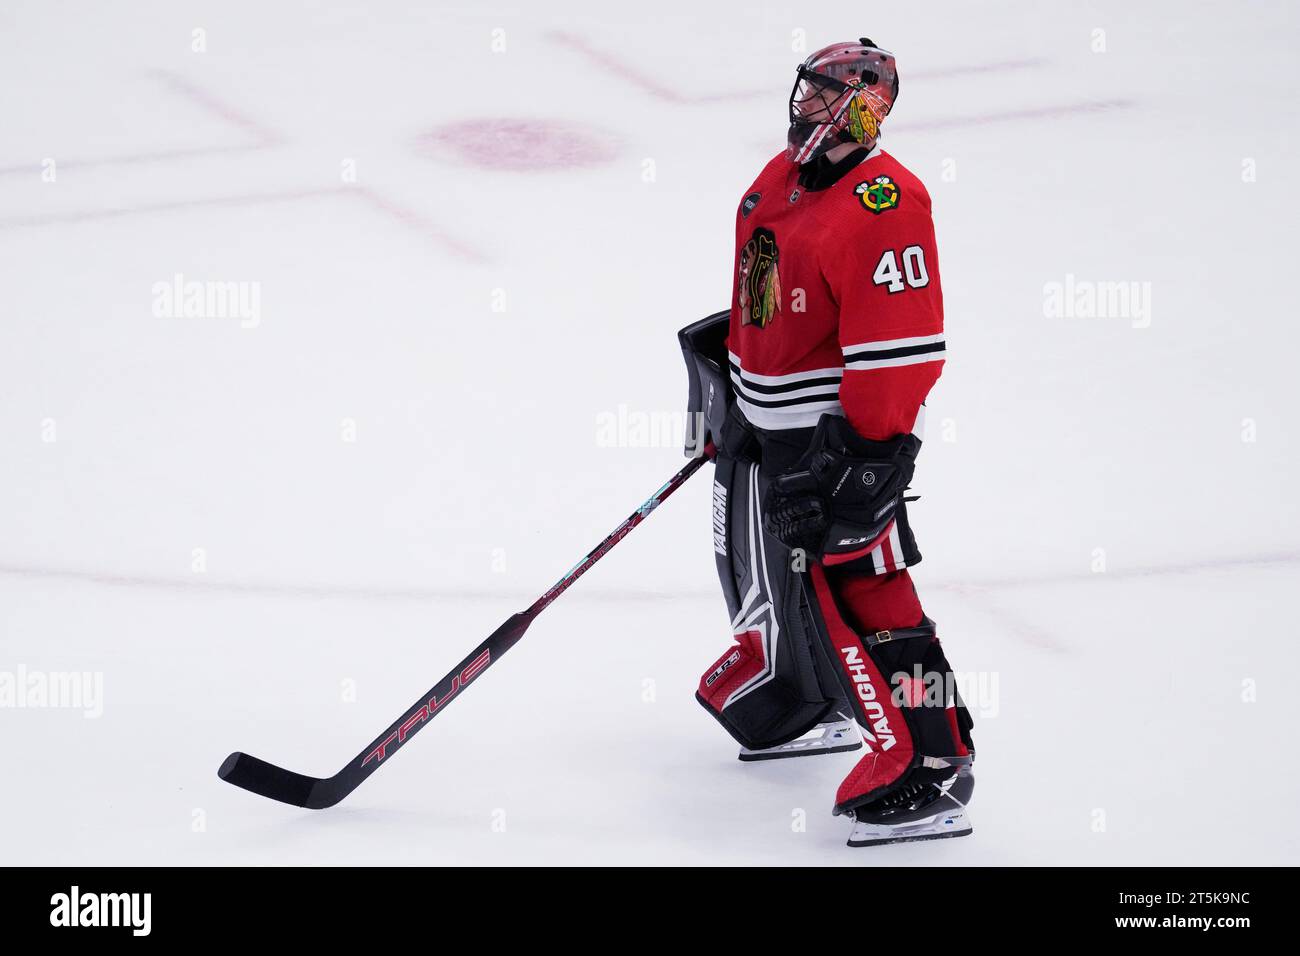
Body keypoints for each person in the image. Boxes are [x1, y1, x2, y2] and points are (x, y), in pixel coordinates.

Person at [679, 38, 975, 847]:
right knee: (755, 564)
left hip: (831, 438)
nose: (804, 105)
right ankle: (796, 692)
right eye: (804, 89)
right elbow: (760, 294)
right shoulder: (779, 179)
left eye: (825, 95)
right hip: (762, 420)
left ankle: (931, 760)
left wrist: (866, 464)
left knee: (862, 585)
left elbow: (902, 353)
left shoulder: (888, 205)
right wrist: (722, 389)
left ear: (866, 106)